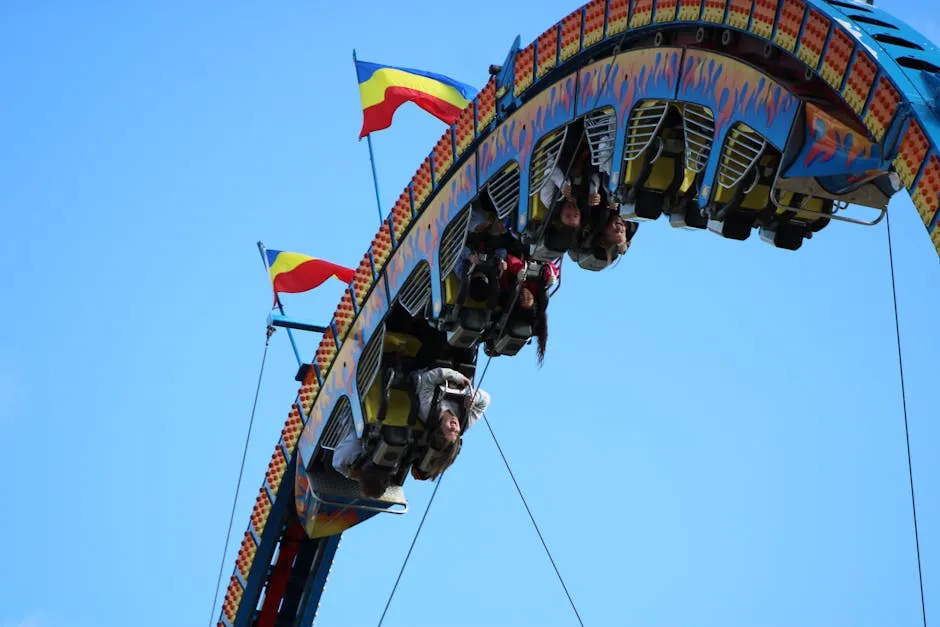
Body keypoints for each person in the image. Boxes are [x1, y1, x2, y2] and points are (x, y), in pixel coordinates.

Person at [331, 367, 490, 493]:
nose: (455, 426)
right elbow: (485, 401)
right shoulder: (464, 420)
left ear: (439, 430)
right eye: (456, 432)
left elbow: (430, 378)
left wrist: (353, 474)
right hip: (453, 373)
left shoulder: (427, 411)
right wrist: (473, 397)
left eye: (450, 429)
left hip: (425, 375)